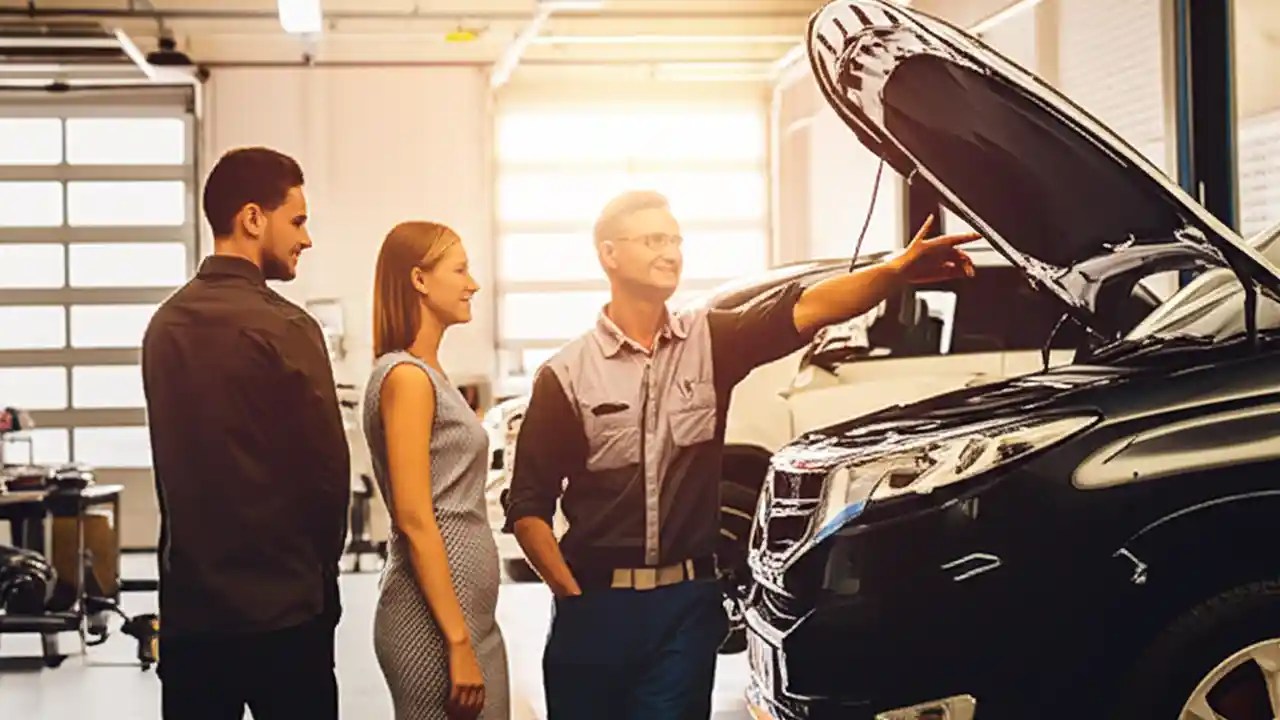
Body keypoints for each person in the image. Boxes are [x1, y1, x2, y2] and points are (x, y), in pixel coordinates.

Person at [504, 190, 979, 719]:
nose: (671, 252)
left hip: (684, 609)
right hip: (595, 609)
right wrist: (572, 598)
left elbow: (806, 308)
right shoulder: (565, 375)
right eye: (654, 239)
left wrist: (893, 273)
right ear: (609, 254)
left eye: (676, 239)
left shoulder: (712, 341)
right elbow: (528, 506)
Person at [141, 147, 351, 719]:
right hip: (283, 616)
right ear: (253, 218)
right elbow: (327, 476)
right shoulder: (286, 328)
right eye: (298, 220)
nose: (305, 239)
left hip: (192, 616)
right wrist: (322, 577)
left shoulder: (164, 327)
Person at [362, 221, 509, 720]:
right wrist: (457, 641)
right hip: (434, 624)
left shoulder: (431, 375)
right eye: (461, 270)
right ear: (420, 280)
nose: (473, 284)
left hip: (466, 617)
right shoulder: (407, 378)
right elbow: (414, 517)